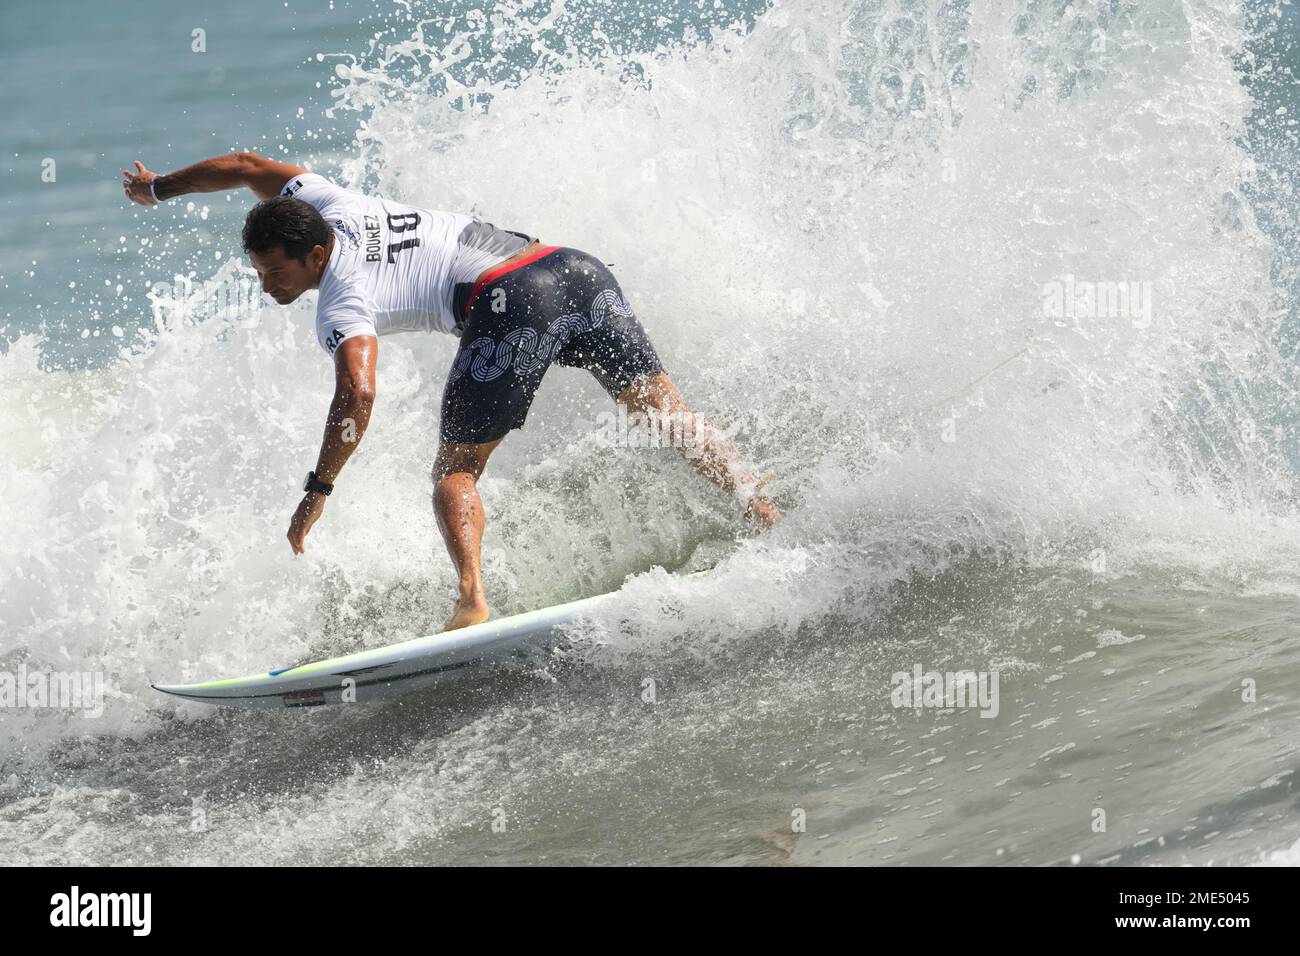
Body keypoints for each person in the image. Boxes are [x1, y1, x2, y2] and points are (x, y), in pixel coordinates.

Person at [123, 151, 781, 630]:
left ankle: (472, 599)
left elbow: (358, 395)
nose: (269, 286)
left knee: (455, 472)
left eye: (274, 272)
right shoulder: (330, 206)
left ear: (314, 259)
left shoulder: (341, 295)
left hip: (508, 300)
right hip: (573, 268)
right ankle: (765, 514)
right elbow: (244, 165)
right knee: (663, 414)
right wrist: (159, 188)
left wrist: (318, 489)